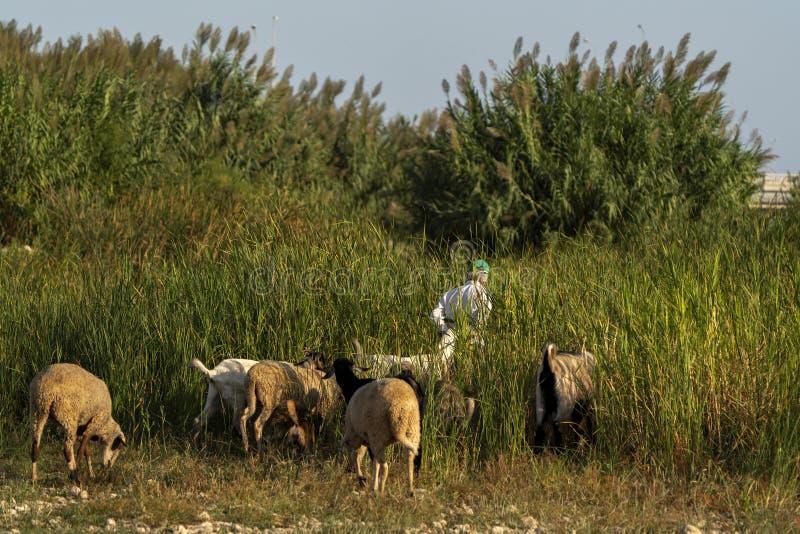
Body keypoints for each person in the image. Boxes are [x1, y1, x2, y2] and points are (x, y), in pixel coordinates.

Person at [430, 259, 492, 376]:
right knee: (477, 372)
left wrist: (444, 329)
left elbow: (434, 314)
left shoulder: (451, 293)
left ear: (468, 274)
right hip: (473, 335)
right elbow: (483, 319)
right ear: (485, 277)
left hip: (449, 334)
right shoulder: (485, 295)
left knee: (443, 371)